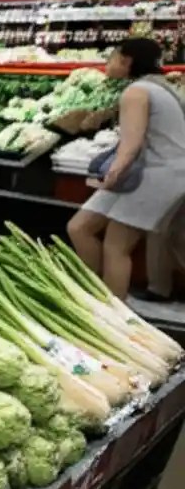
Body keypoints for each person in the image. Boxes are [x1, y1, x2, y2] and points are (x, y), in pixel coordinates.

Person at [67, 38, 185, 301]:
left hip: (154, 175)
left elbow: (130, 147)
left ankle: (114, 309)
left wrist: (109, 177)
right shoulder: (163, 87)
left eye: (112, 57)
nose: (107, 64)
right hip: (157, 173)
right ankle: (94, 293)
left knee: (116, 246)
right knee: (80, 227)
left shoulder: (136, 92)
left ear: (127, 61)